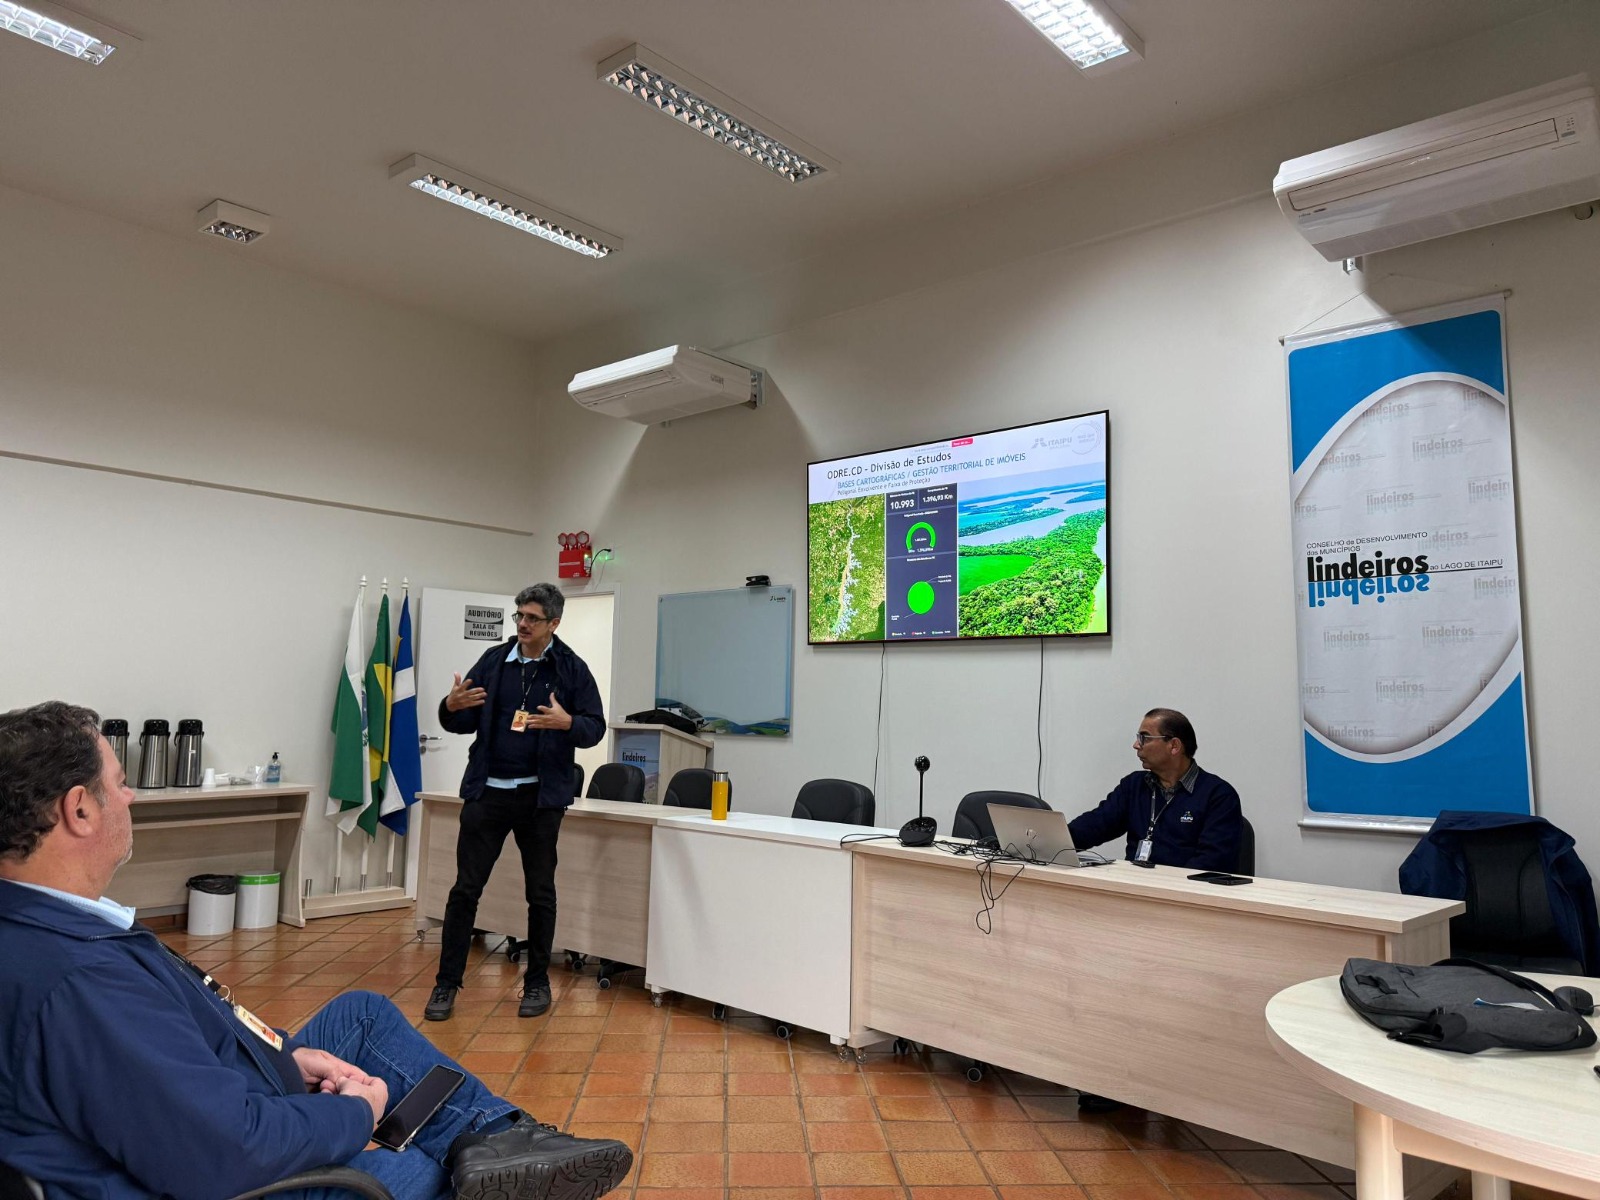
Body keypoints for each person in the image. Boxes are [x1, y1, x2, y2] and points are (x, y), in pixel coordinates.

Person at [0, 701, 632, 1200]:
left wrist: (285, 1055)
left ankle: (500, 1140)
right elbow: (224, 1151)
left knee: (363, 1015)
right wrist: (356, 1115)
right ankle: (480, 1161)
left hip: (213, 1097)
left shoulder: (45, 927)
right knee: (422, 1168)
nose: (131, 796)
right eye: (119, 783)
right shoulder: (81, 981)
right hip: (230, 1170)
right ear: (79, 810)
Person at [427, 583, 605, 1023]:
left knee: (540, 894)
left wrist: (568, 723)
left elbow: (595, 727)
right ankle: (446, 984)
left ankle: (538, 982)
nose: (522, 624)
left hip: (539, 800)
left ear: (553, 623)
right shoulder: (494, 661)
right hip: (487, 793)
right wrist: (449, 706)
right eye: (519, 615)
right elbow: (461, 719)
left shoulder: (571, 668)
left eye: (532, 618)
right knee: (464, 891)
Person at [1064, 706, 1243, 1113]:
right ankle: (1116, 1078)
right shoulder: (1135, 787)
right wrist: (1045, 839)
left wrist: (1160, 892)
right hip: (1132, 913)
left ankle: (1161, 1081)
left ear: (1174, 745)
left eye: (1145, 737)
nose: (1136, 745)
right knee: (1102, 978)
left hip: (1185, 920)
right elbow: (1095, 825)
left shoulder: (1217, 796)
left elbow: (1213, 865)